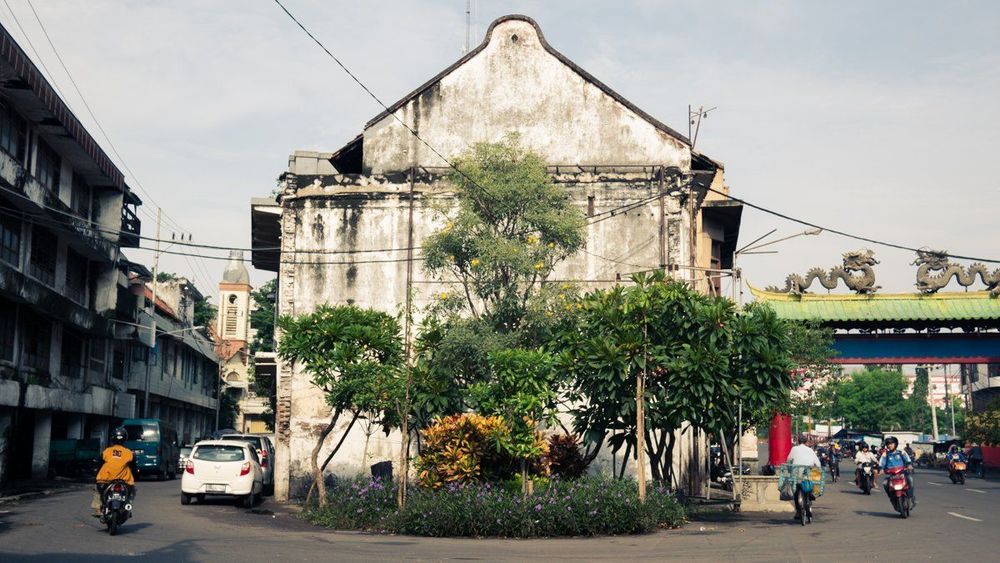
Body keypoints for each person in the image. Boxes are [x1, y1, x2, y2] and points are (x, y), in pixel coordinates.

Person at [92, 427, 136, 518]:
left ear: (112, 438)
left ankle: (97, 509)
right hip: (124, 480)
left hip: (105, 479)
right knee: (132, 492)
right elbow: (134, 467)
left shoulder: (106, 451)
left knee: (97, 490)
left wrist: (96, 474)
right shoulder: (129, 453)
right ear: (125, 438)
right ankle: (128, 508)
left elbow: (99, 465)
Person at [786, 434, 822, 520]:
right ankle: (811, 495)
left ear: (798, 441)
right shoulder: (810, 450)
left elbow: (788, 460)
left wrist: (789, 468)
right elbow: (818, 463)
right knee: (812, 483)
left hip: (797, 475)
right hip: (808, 474)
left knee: (796, 491)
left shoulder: (794, 449)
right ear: (806, 442)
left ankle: (798, 511)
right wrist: (818, 468)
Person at [878, 436, 915, 508]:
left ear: (895, 444)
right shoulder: (885, 454)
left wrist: (909, 465)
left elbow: (907, 459)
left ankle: (911, 497)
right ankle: (891, 498)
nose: (890, 445)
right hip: (891, 475)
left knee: (910, 479)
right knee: (885, 483)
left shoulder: (901, 452)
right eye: (888, 444)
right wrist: (881, 469)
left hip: (902, 473)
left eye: (891, 444)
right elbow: (881, 463)